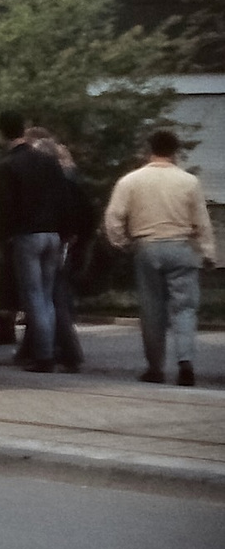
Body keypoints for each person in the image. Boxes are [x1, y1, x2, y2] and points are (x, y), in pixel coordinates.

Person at [103, 129, 217, 386]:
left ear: (149, 149)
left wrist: (121, 242)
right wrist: (208, 252)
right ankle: (185, 361)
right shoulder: (188, 181)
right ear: (176, 151)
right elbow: (202, 221)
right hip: (182, 247)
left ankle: (155, 368)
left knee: (152, 310)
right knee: (185, 308)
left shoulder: (130, 181)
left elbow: (114, 217)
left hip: (147, 248)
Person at [0, 111, 70, 372]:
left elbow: (2, 209)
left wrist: (3, 237)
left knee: (33, 296)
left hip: (26, 236)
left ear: (2, 132)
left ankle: (43, 355)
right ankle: (51, 349)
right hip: (53, 234)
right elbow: (63, 197)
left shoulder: (5, 166)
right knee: (47, 295)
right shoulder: (48, 162)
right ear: (24, 128)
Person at [23, 128, 95, 371]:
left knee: (52, 297)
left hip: (56, 241)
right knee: (51, 297)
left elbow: (76, 211)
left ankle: (67, 353)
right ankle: (49, 350)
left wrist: (70, 237)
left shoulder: (54, 182)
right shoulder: (65, 180)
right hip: (61, 240)